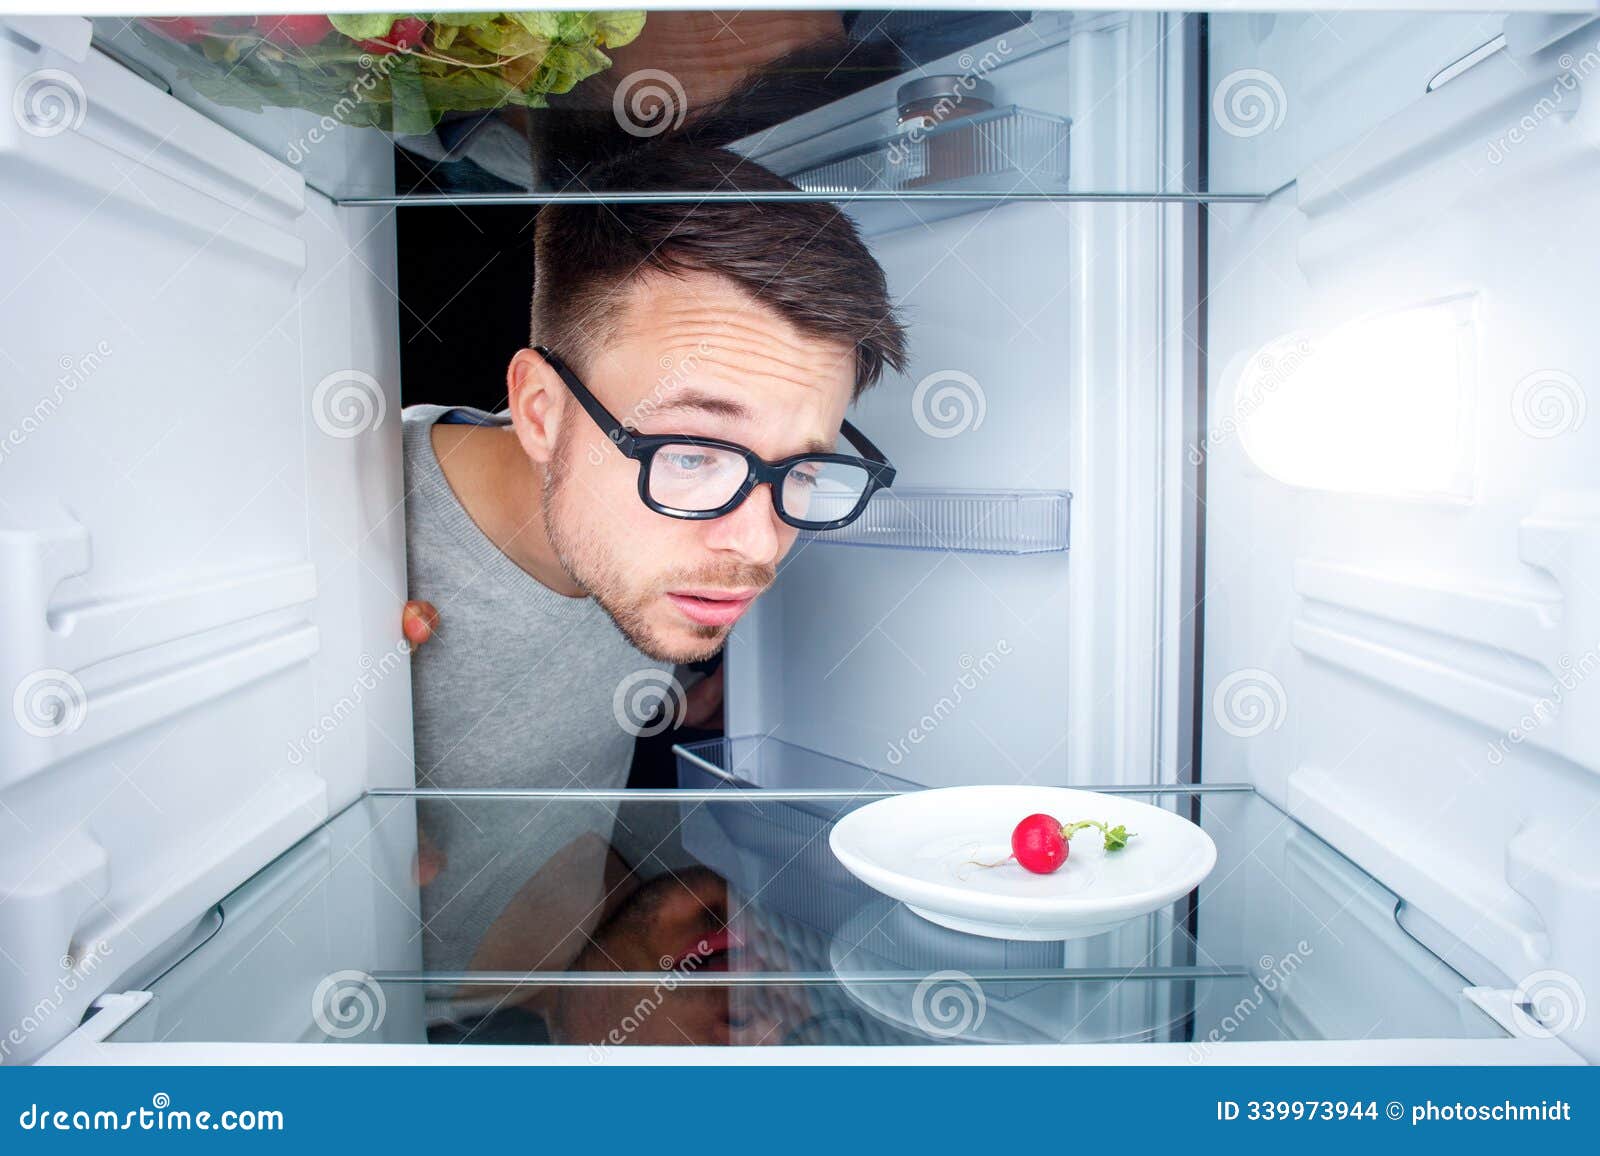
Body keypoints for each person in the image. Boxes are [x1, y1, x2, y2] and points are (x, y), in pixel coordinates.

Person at [398, 139, 908, 999]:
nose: (755, 546)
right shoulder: (332, 542)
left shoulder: (664, 551)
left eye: (805, 470)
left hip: (547, 1009)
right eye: (692, 454)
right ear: (540, 411)